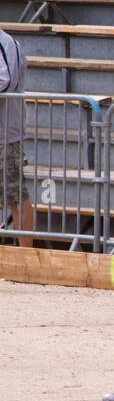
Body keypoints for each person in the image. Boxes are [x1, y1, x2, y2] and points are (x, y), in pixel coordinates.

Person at [0, 28, 35, 247]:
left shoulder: (5, 42)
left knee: (15, 196)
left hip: (5, 135)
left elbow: (6, 81)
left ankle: (26, 256)